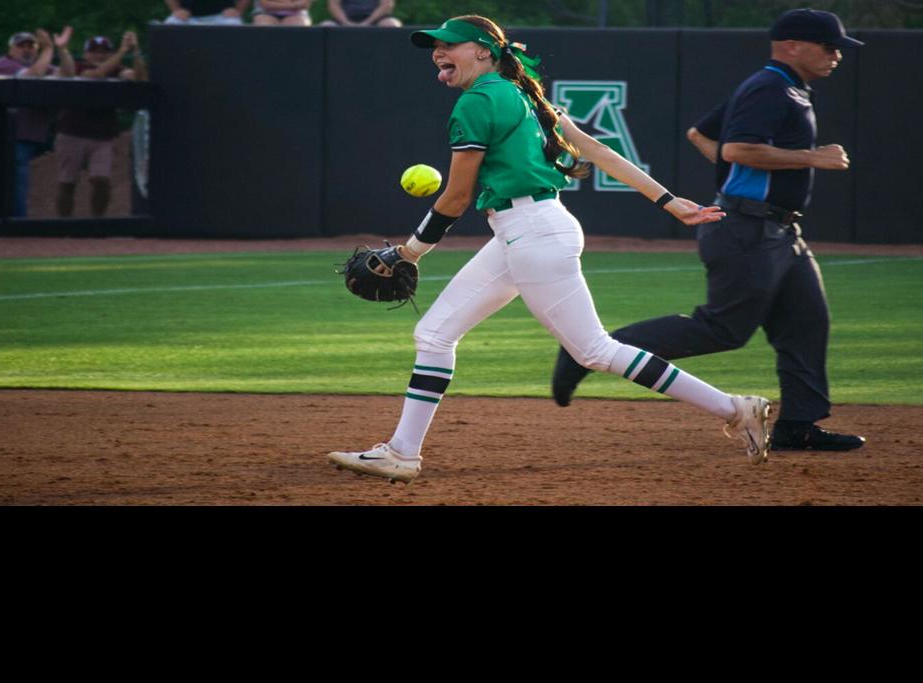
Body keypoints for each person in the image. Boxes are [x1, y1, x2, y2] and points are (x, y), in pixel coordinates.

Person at [327, 14, 775, 485]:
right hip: (527, 231)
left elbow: (456, 198)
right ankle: (401, 452)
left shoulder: (478, 102)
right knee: (435, 335)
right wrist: (667, 200)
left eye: (449, 45)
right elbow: (599, 153)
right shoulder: (525, 96)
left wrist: (412, 251)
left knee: (595, 351)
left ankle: (733, 407)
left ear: (484, 51)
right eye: (434, 47)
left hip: (533, 234)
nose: (439, 52)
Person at [550, 8, 866, 453]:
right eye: (829, 46)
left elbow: (701, 134)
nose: (837, 55)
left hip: (779, 229)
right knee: (724, 329)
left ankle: (799, 424)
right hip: (748, 228)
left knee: (806, 322)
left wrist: (735, 174)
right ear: (793, 46)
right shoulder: (770, 87)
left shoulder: (788, 88)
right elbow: (736, 148)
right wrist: (813, 158)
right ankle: (590, 351)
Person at [0, 29, 69, 218]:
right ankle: (16, 223)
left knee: (4, 177)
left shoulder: (42, 65)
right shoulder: (4, 65)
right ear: (11, 49)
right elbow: (32, 76)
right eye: (21, 46)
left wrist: (62, 50)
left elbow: (68, 74)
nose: (26, 50)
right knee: (15, 176)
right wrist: (48, 48)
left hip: (23, 133)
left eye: (31, 46)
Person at [54, 32, 147, 217]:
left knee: (101, 181)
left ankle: (96, 225)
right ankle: (63, 226)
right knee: (67, 182)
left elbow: (140, 77)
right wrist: (122, 50)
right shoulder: (78, 67)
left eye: (104, 51)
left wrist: (135, 51)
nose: (99, 55)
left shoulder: (117, 69)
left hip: (102, 134)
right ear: (86, 53)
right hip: (73, 131)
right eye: (94, 51)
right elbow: (95, 74)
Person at [322, 0, 402, 27]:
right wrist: (346, 23)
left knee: (392, 24)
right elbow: (333, 5)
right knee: (326, 26)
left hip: (376, 19)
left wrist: (367, 22)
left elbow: (386, 5)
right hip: (345, 19)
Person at [163, 1, 245, 25]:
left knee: (234, 24)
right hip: (188, 18)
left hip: (223, 18)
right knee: (171, 24)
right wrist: (176, 10)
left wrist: (237, 11)